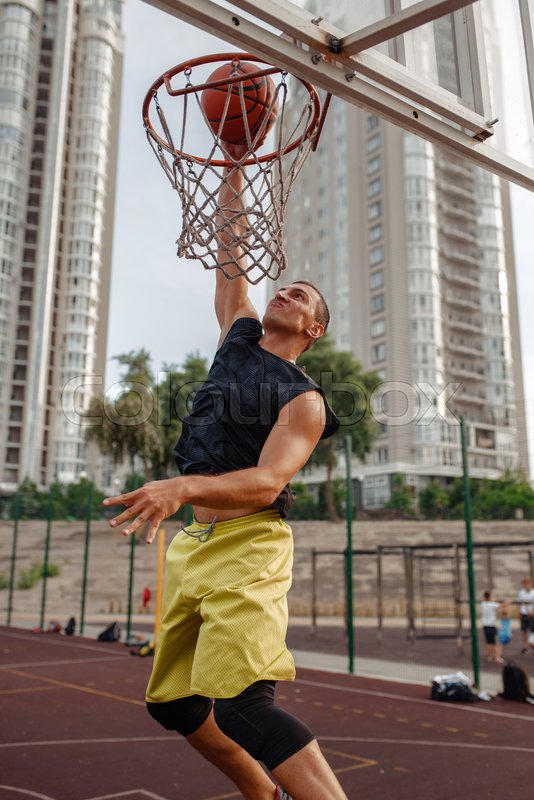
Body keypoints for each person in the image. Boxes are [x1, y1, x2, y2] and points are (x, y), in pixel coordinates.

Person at [104, 148, 347, 800]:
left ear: (313, 328)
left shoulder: (305, 399)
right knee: (176, 705)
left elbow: (267, 483)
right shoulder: (238, 334)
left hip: (249, 547)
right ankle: (262, 793)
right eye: (285, 286)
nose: (286, 292)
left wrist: (181, 486)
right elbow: (232, 256)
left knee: (245, 707)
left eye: (301, 296)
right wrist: (235, 168)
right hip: (195, 548)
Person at [481, 590, 504, 663]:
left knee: (489, 643)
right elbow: (503, 605)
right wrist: (510, 601)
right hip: (491, 626)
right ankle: (497, 657)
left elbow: (489, 602)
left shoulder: (483, 604)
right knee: (497, 643)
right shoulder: (492, 604)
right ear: (490, 597)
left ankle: (489, 657)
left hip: (485, 626)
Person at [516, 577, 534, 654]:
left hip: (532, 614)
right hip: (524, 613)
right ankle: (525, 647)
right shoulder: (521, 592)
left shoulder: (533, 592)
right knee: (524, 631)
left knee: (532, 630)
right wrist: (518, 613)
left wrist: (533, 612)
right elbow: (519, 603)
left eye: (528, 583)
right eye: (525, 584)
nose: (526, 585)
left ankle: (531, 645)